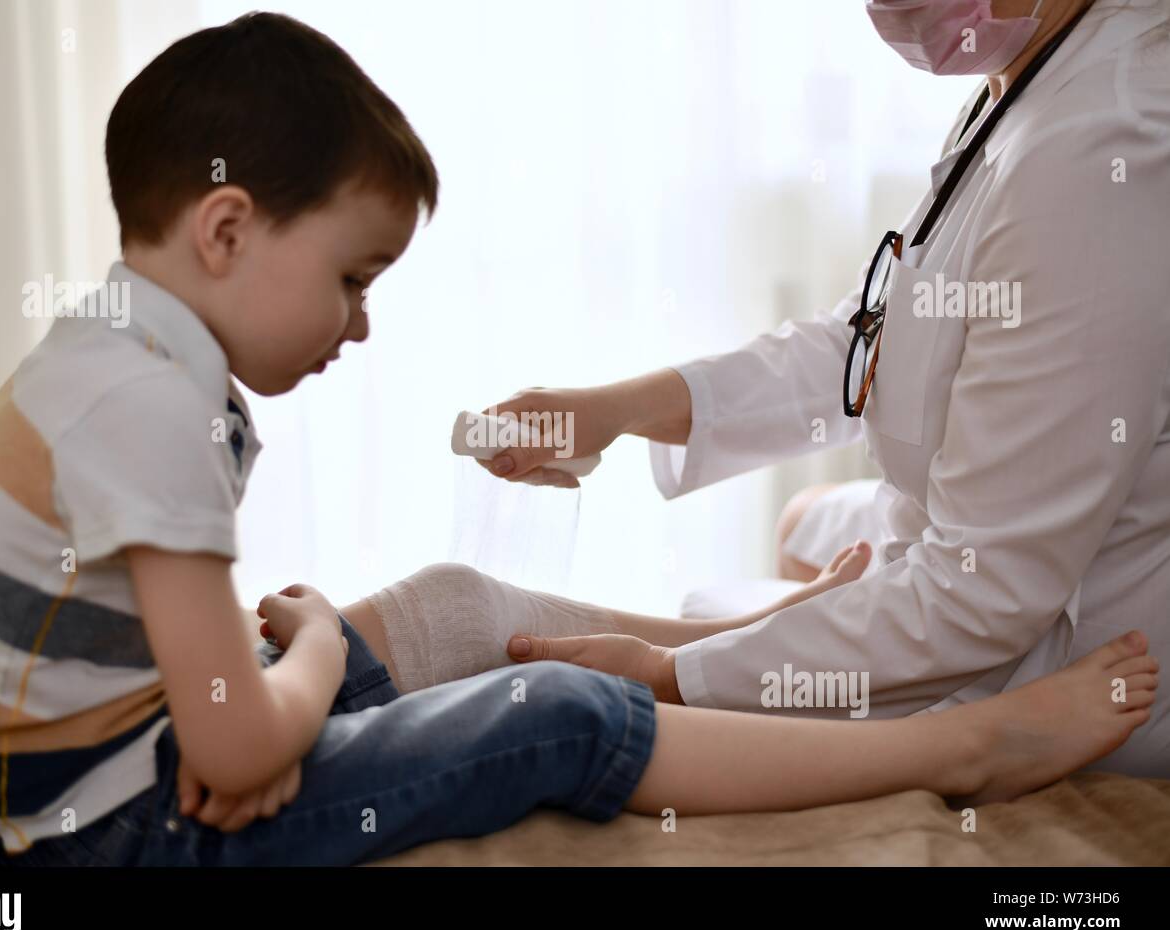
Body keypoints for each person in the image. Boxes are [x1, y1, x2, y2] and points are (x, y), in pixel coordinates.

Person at [0, 12, 1156, 869]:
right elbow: (238, 749)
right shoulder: (155, 411)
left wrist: (275, 679)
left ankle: (864, 687)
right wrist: (307, 656)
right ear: (226, 228)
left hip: (32, 785)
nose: (361, 325)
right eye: (353, 277)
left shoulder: (112, 347)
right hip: (65, 834)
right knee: (562, 707)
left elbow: (207, 705)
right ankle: (962, 741)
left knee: (485, 628)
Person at [475, 0, 1170, 778]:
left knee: (473, 624)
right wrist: (616, 409)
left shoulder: (1095, 154)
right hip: (974, 542)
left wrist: (673, 679)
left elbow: (986, 592)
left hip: (1070, 638)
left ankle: (976, 744)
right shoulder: (1027, 77)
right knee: (806, 521)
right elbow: (875, 332)